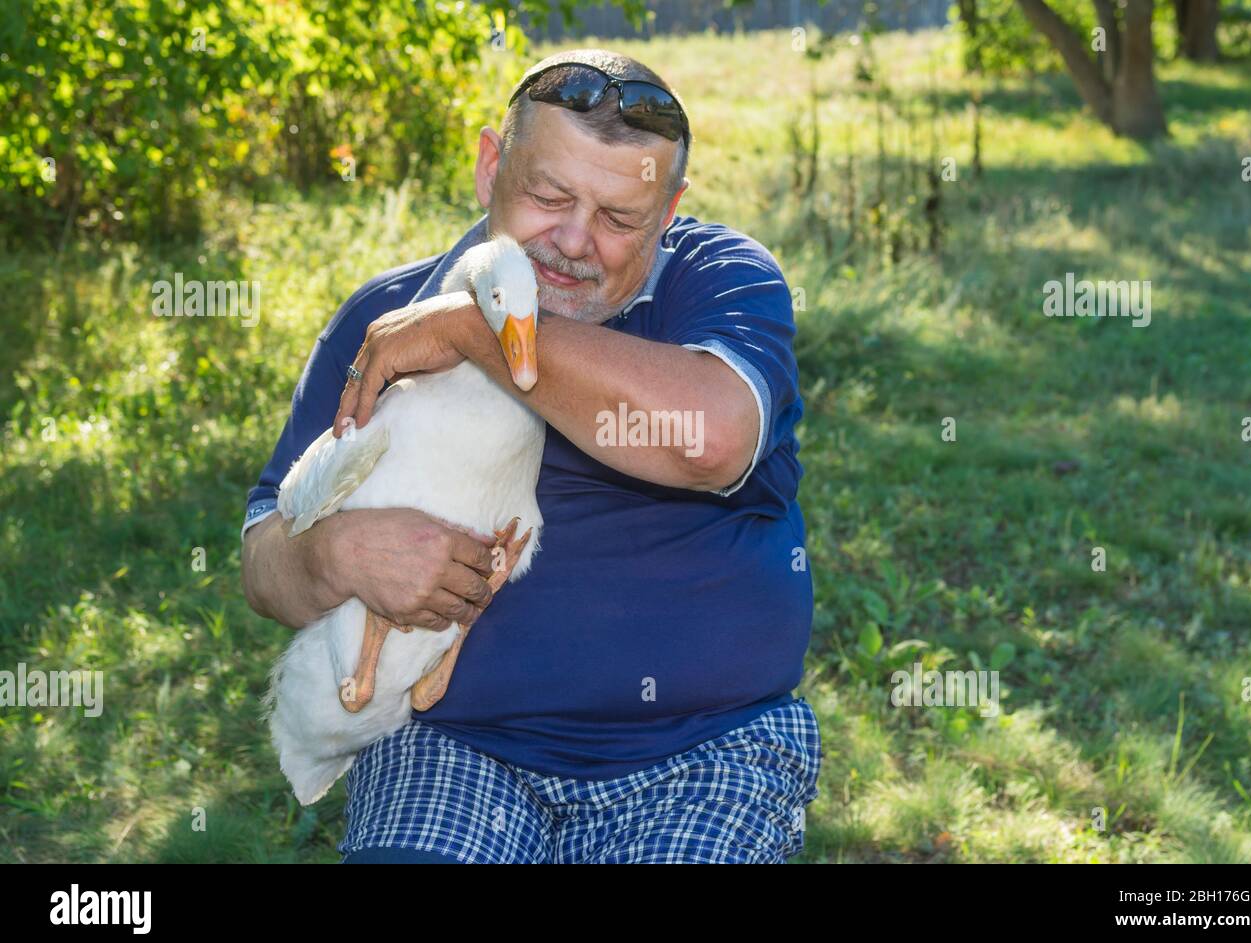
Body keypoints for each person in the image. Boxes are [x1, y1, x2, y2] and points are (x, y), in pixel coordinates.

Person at [241, 48, 820, 863]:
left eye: (621, 219)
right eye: (549, 197)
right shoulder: (383, 317)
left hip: (705, 749)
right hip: (448, 748)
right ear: (489, 167)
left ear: (671, 207)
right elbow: (263, 558)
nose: (575, 242)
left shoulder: (718, 280)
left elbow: (711, 442)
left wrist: (475, 331)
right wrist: (334, 553)